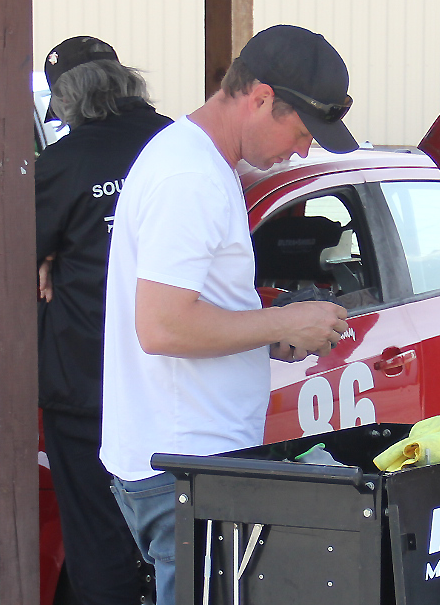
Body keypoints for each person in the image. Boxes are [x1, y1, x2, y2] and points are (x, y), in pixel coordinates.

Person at [99, 24, 357, 605]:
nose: (301, 149)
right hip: (186, 469)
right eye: (299, 130)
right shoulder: (190, 176)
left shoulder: (195, 162)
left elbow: (187, 309)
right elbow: (161, 326)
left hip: (190, 463)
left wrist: (265, 332)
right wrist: (281, 325)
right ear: (260, 96)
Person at [34, 36, 172, 605]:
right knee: (179, 538)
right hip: (173, 378)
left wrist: (46, 255)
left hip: (85, 384)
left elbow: (14, 256)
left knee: (96, 540)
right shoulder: (174, 144)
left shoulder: (64, 163)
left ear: (67, 100)